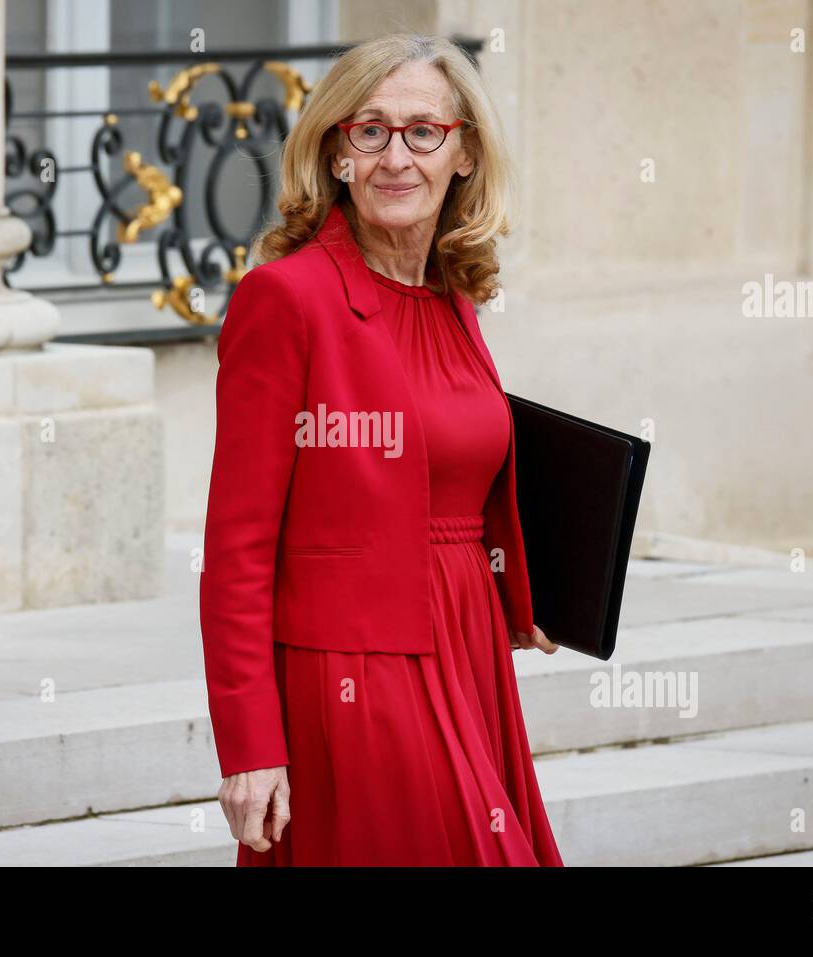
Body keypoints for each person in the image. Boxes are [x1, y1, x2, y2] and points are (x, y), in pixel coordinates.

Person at [199, 33, 564, 866]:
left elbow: (459, 480)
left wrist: (524, 586)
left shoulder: (452, 295)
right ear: (335, 154)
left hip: (466, 647)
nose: (395, 157)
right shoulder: (284, 301)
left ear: (464, 150)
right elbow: (236, 546)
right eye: (369, 131)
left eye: (422, 132)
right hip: (353, 669)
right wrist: (250, 743)